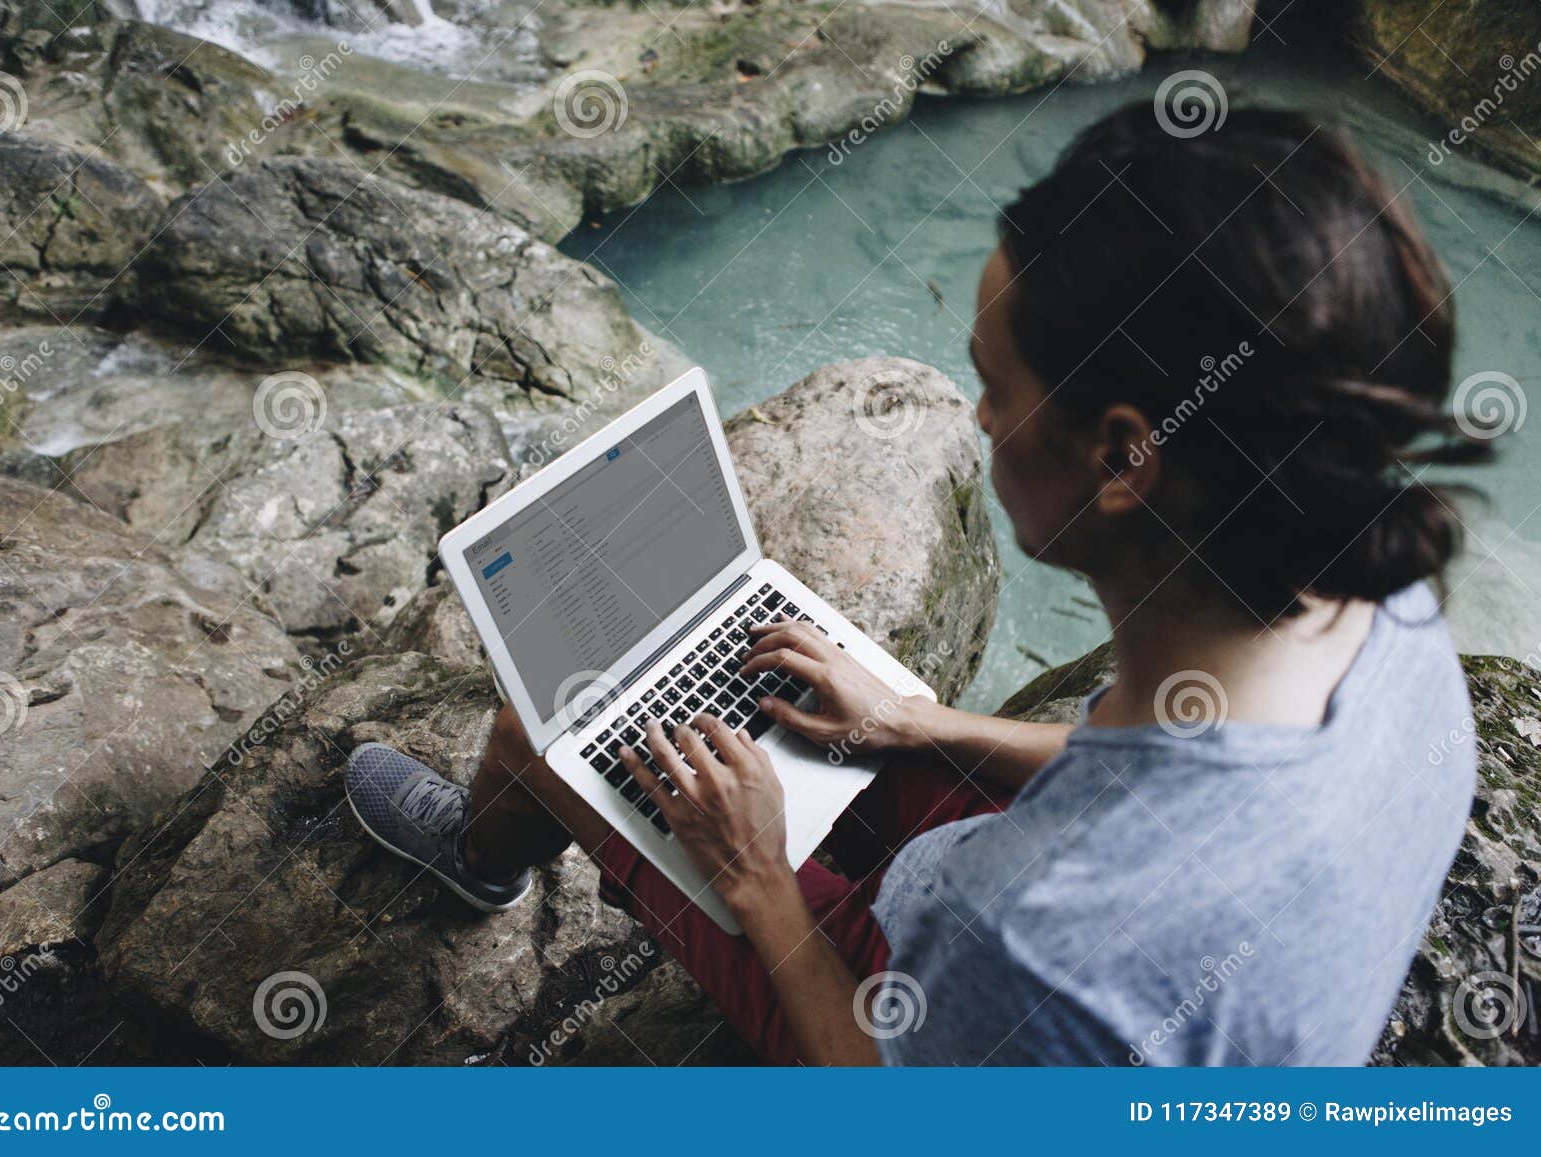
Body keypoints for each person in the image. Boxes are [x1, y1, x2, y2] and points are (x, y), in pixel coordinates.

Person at [346, 102, 1491, 1065]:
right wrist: (914, 721)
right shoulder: (1384, 607)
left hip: (894, 1015)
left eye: (995, 383)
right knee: (778, 717)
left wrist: (760, 883)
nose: (979, 418)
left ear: (1126, 454)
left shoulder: (1034, 939)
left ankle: (478, 856)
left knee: (550, 732)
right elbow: (1152, 779)